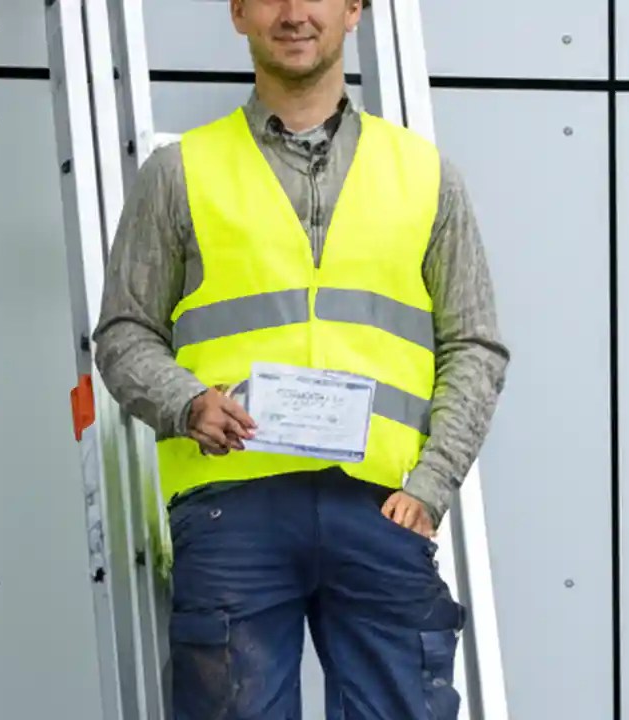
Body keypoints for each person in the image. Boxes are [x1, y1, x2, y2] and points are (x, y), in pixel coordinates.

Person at [92, 0, 510, 717]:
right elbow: (124, 333)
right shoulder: (177, 173)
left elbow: (474, 343)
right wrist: (187, 402)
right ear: (239, 14)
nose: (293, 13)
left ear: (353, 9)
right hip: (233, 509)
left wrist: (433, 485)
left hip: (382, 508)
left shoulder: (426, 175)